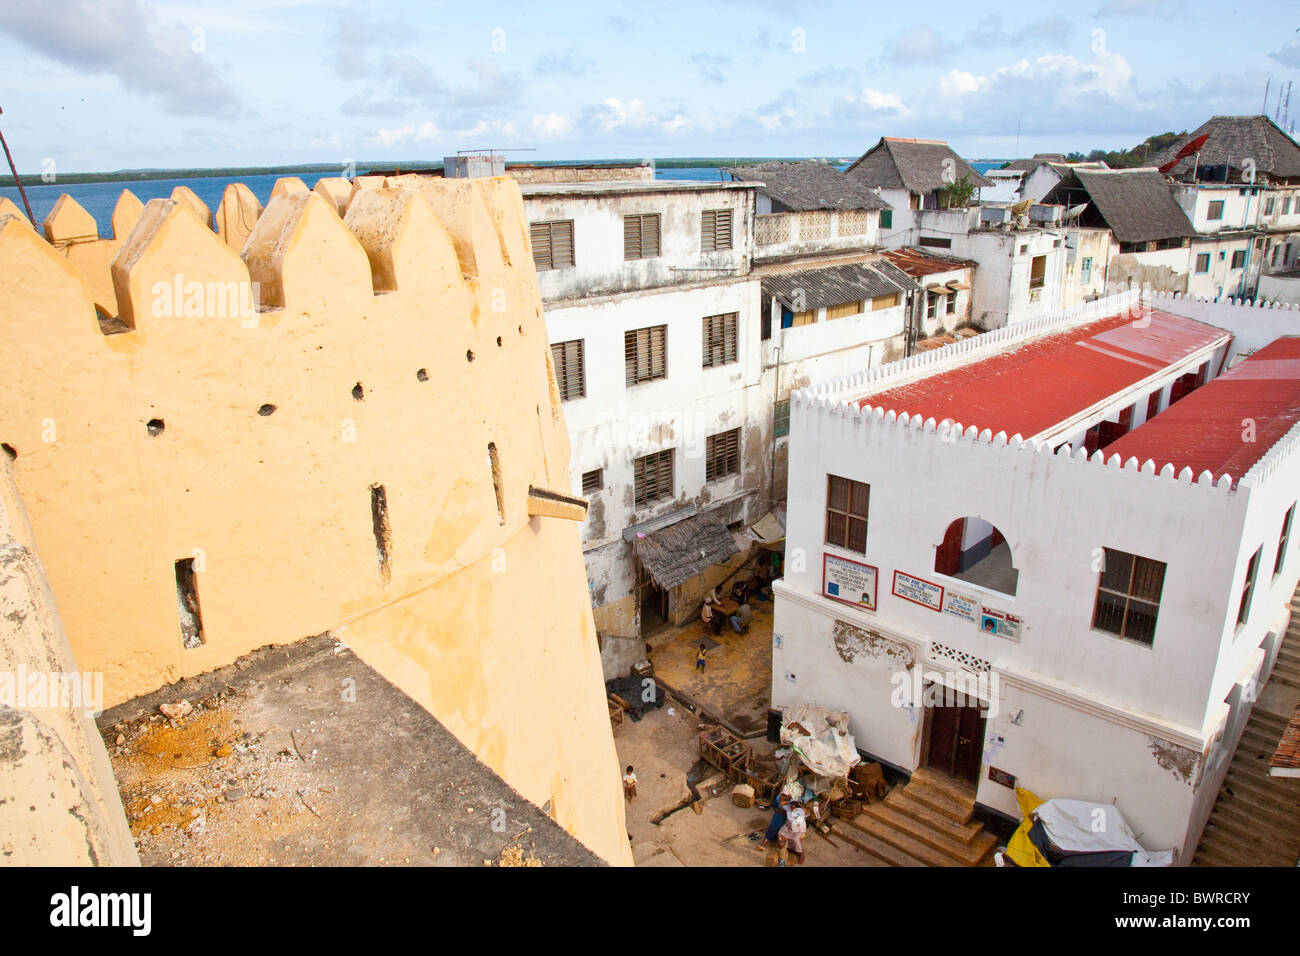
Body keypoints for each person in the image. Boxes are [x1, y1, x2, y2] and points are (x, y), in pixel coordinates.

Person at [779, 798, 807, 864]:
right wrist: (789, 802)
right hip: (788, 826)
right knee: (780, 833)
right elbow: (781, 804)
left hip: (797, 829)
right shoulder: (788, 808)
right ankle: (787, 847)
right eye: (791, 807)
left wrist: (800, 805)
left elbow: (806, 812)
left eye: (793, 808)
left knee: (795, 839)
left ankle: (800, 853)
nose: (791, 809)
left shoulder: (800, 811)